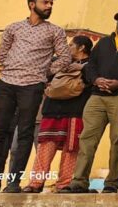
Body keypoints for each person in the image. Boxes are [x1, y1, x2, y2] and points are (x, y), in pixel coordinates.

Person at [0, 0, 72, 193]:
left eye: (51, 3)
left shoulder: (55, 31)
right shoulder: (13, 28)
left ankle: (13, 182)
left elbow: (66, 58)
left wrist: (43, 72)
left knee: (23, 132)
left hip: (32, 87)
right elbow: (2, 55)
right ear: (32, 4)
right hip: (6, 84)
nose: (49, 6)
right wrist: (14, 69)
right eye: (45, 2)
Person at [62, 11, 118, 193]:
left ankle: (111, 183)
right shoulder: (105, 42)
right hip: (97, 96)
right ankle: (79, 181)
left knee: (117, 140)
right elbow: (91, 65)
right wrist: (96, 80)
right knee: (86, 139)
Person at [23, 36, 93, 193]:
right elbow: (45, 76)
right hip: (52, 110)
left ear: (81, 48)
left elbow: (91, 79)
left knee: (71, 149)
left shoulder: (92, 65)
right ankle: (35, 183)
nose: (68, 47)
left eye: (71, 45)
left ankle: (63, 184)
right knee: (45, 146)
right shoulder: (59, 61)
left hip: (76, 111)